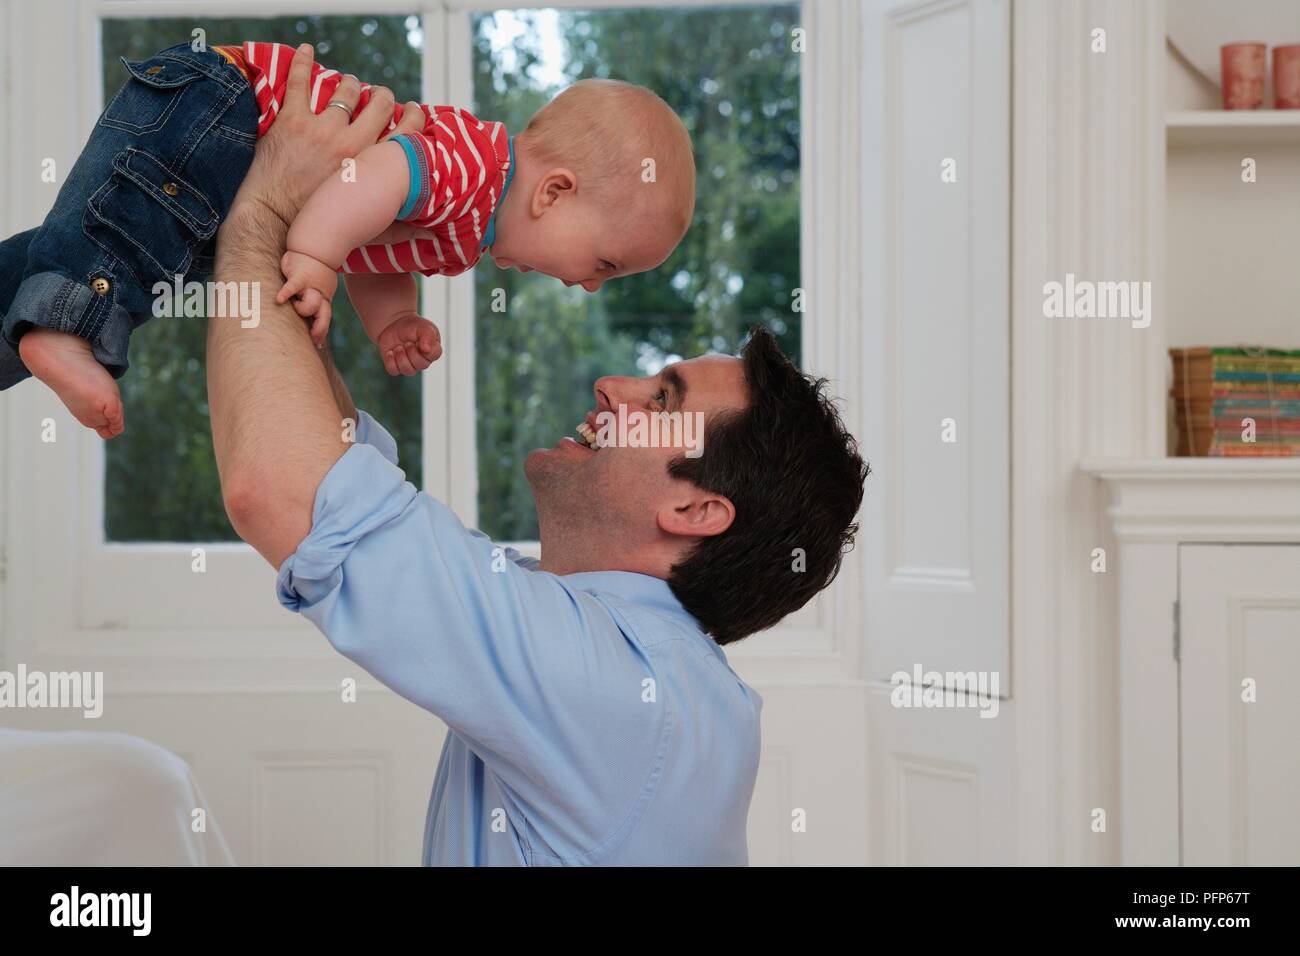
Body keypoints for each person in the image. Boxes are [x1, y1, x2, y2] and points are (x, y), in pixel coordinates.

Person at [208, 45, 868, 865]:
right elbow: (337, 473)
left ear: (696, 510)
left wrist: (262, 207)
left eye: (662, 400)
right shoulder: (633, 666)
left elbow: (282, 489)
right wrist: (307, 261)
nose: (610, 386)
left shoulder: (616, 689)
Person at [0, 40, 693, 436]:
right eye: (605, 262)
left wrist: (391, 318)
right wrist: (312, 257)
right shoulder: (477, 166)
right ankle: (59, 329)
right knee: (125, 235)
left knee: (124, 243)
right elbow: (375, 176)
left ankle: (38, 309)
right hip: (226, 102)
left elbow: (371, 240)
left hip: (226, 158)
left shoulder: (466, 233)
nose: (593, 283)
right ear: (555, 192)